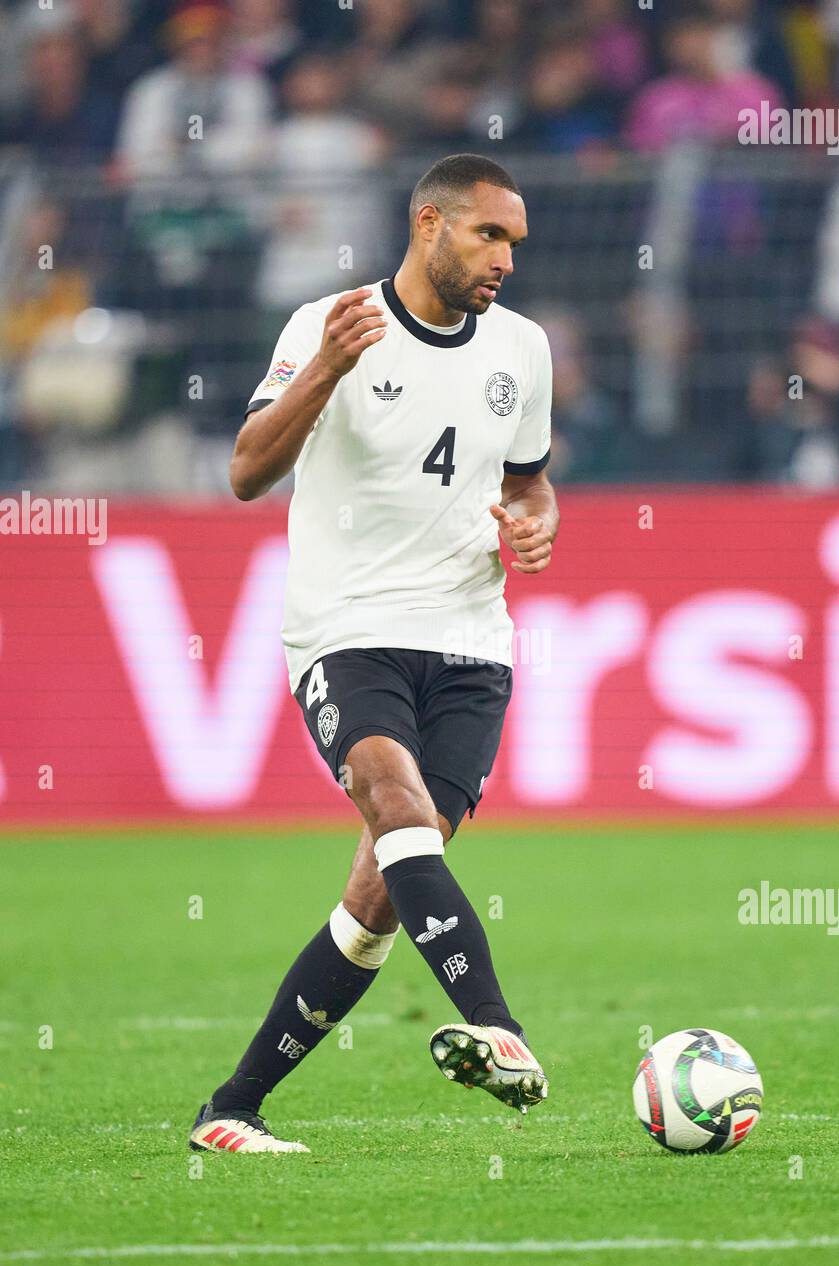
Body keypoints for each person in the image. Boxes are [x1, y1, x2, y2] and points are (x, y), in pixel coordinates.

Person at [191, 153, 558, 1155]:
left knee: (375, 899)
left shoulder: (521, 350)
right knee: (397, 810)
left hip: (472, 643)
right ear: (427, 223)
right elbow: (246, 471)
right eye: (489, 236)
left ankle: (230, 1107)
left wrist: (536, 523)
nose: (505, 262)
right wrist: (324, 372)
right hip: (346, 630)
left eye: (514, 243)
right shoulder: (328, 323)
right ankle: (500, 1026)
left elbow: (527, 483)